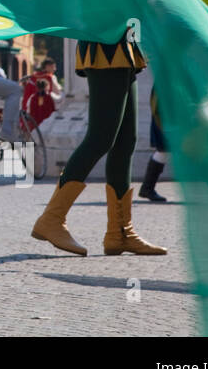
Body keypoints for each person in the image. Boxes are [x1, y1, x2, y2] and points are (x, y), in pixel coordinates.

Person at [31, 36, 165, 256]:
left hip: (123, 46)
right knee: (100, 137)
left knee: (125, 141)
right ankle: (52, 218)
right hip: (106, 42)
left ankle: (120, 232)